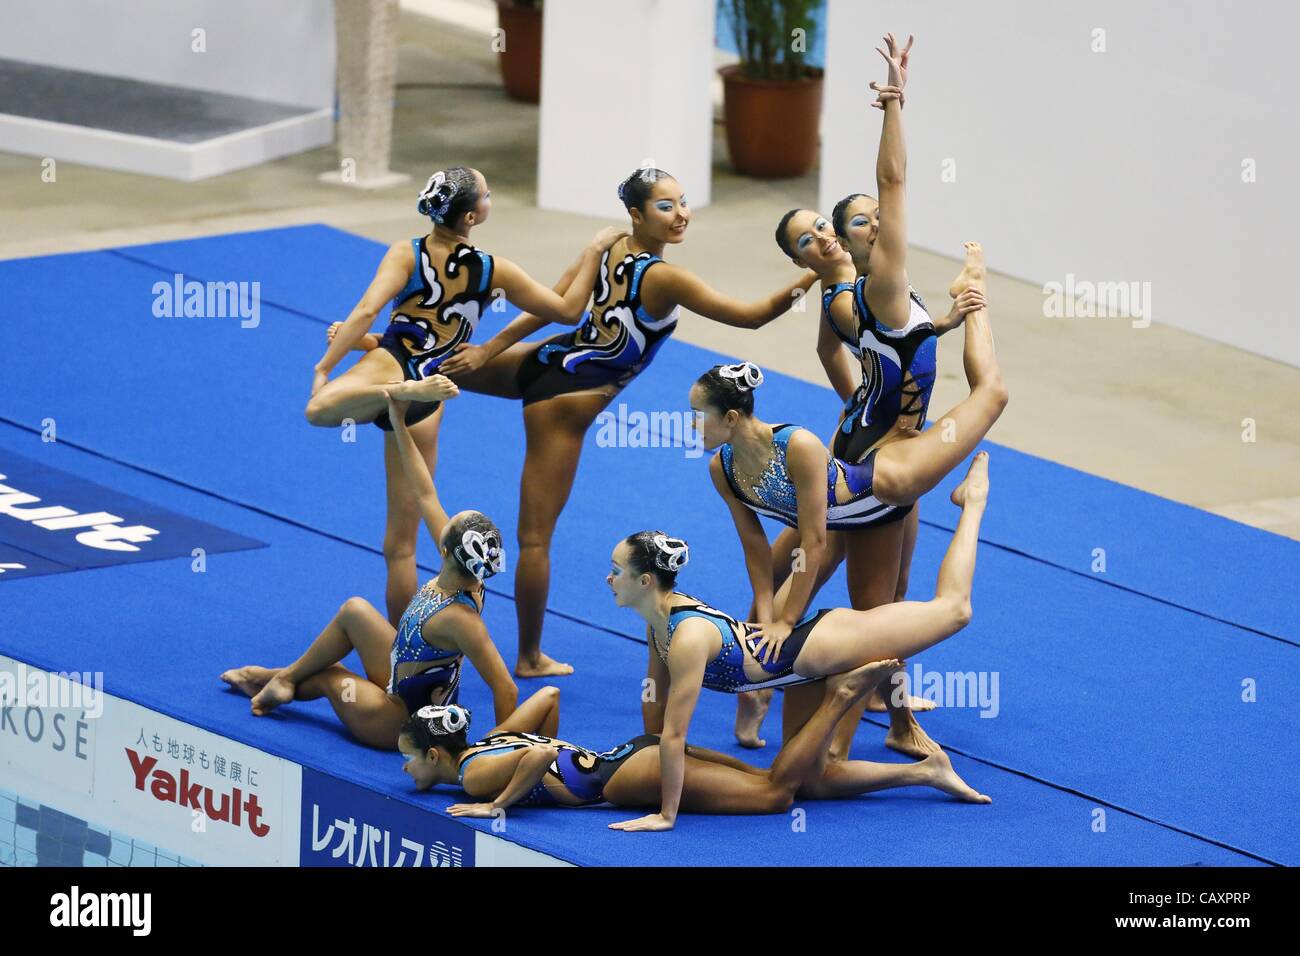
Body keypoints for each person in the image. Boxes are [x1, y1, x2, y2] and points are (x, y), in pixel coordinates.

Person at [393, 166, 817, 678]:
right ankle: (528, 657)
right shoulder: (666, 277)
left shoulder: (613, 245)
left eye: (683, 202)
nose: (681, 214)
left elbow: (553, 307)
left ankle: (374, 361)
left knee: (434, 358)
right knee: (534, 540)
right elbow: (751, 317)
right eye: (666, 206)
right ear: (636, 214)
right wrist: (816, 272)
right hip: (567, 399)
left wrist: (488, 350)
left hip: (544, 359)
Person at [769, 34, 1007, 762]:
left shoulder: (858, 297)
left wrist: (943, 320)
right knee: (876, 608)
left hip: (867, 448)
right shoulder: (874, 284)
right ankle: (872, 715)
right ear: (851, 240)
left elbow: (881, 350)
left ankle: (779, 671)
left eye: (876, 217)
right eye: (862, 220)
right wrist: (895, 103)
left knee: (881, 591)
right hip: (878, 463)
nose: (880, 222)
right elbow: (897, 181)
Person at [305, 164, 621, 626]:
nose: (490, 200)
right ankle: (401, 395)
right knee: (405, 540)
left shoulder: (406, 254)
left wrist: (325, 365)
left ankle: (390, 392)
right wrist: (592, 251)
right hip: (429, 392)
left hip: (391, 363)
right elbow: (568, 308)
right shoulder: (495, 270)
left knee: (321, 416)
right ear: (471, 217)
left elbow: (368, 310)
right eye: (487, 195)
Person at [606, 450, 990, 830]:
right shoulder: (657, 625)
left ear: (644, 582)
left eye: (616, 570)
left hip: (824, 643)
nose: (610, 579)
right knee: (814, 783)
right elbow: (656, 715)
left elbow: (675, 735)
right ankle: (928, 772)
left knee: (955, 609)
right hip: (795, 673)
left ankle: (972, 501)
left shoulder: (685, 637)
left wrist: (666, 813)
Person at [219, 391, 517, 748]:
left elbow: (506, 688)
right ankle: (281, 677)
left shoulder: (461, 619)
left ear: (445, 549)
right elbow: (425, 493)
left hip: (399, 720)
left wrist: (499, 751)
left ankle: (275, 680)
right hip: (397, 673)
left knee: (334, 676)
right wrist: (399, 423)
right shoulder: (466, 573)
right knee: (355, 611)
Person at [693, 361, 937, 757]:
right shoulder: (723, 467)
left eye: (698, 417)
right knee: (772, 589)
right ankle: (756, 685)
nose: (691, 426)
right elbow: (755, 546)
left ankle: (896, 720)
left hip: (874, 509)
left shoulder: (809, 442)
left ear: (731, 416)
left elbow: (815, 544)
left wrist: (785, 620)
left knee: (888, 608)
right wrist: (771, 617)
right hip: (827, 517)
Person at [397, 672, 988, 827]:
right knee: (790, 783)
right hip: (638, 750)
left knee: (775, 796)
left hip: (626, 781)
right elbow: (547, 697)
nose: (405, 766)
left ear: (439, 755)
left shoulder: (473, 776)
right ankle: (924, 773)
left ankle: (838, 700)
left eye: (410, 755)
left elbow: (534, 760)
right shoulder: (491, 741)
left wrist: (497, 804)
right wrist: (544, 743)